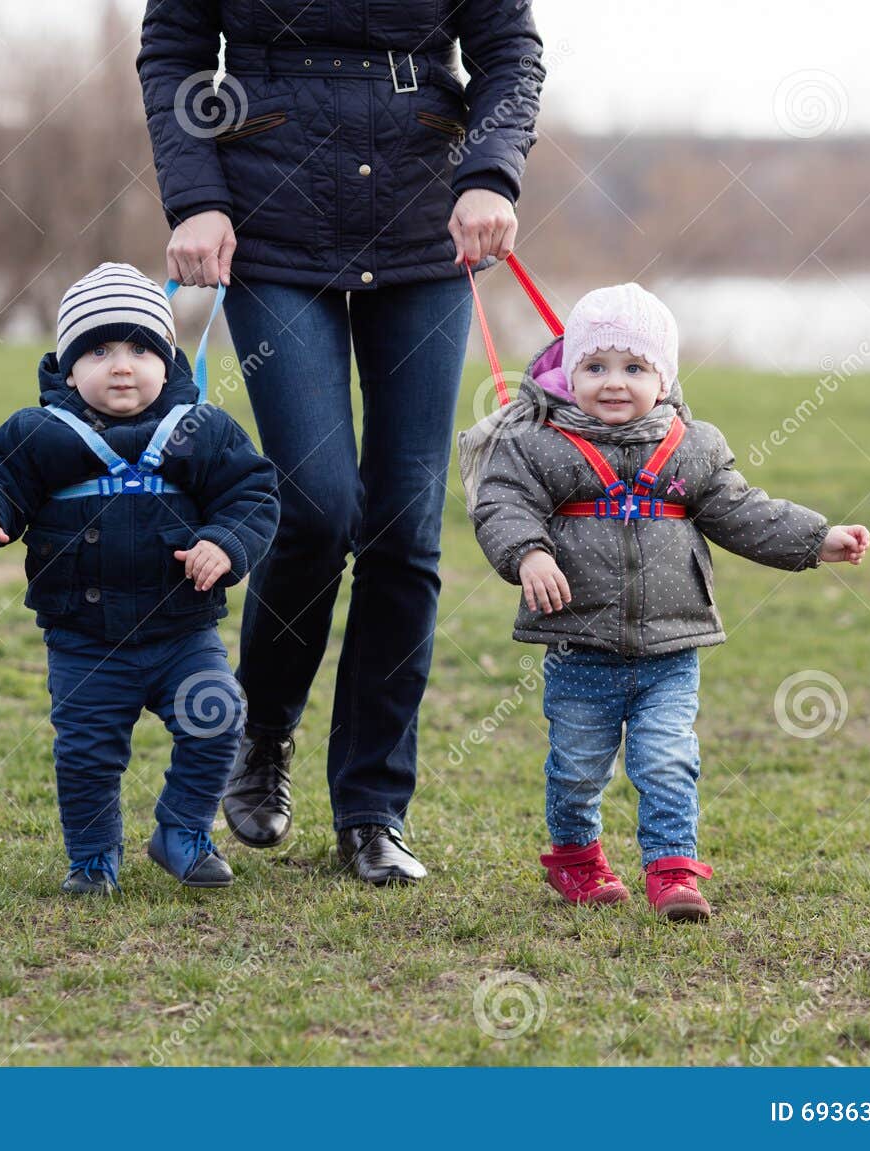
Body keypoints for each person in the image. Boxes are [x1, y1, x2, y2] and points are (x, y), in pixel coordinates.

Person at [137, 0, 545, 885]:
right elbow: (172, 46)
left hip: (422, 223)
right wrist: (198, 198)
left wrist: (490, 176)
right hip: (271, 221)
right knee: (316, 505)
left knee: (404, 527)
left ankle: (373, 809)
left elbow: (510, 51)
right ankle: (265, 730)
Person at [461, 283, 870, 919]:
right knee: (576, 769)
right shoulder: (538, 442)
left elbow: (744, 512)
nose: (614, 383)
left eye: (634, 367)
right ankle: (576, 861)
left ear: (664, 376)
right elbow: (500, 504)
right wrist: (528, 552)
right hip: (581, 646)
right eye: (594, 367)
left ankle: (673, 872)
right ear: (572, 372)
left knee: (668, 761)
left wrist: (819, 539)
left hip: (671, 648)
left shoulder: (692, 447)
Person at [0, 263, 279, 896]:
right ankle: (93, 858)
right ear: (69, 369)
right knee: (88, 755)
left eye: (140, 349)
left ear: (169, 360)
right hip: (85, 641)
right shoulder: (39, 433)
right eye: (99, 351)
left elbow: (253, 495)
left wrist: (224, 543)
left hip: (183, 630)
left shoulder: (200, 431)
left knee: (218, 718)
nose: (122, 366)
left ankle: (182, 829)